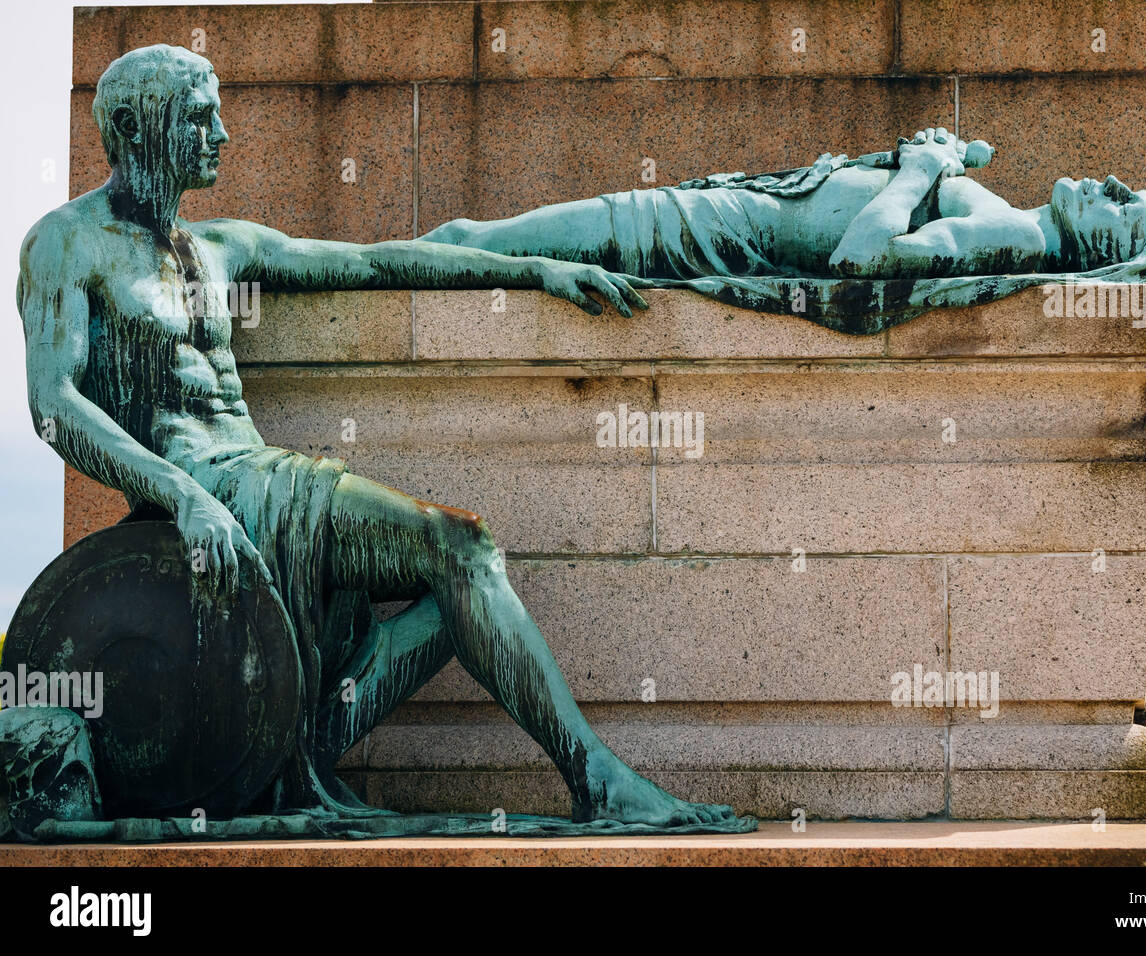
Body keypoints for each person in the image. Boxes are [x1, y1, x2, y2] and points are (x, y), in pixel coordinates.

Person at [17, 44, 737, 829]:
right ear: (128, 125)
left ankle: (294, 747)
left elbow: (375, 262)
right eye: (198, 115)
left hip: (260, 482)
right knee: (459, 546)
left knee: (454, 581)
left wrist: (532, 271)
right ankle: (595, 780)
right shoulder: (65, 242)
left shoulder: (219, 245)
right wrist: (183, 496)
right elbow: (53, 406)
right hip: (213, 493)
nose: (221, 133)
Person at [425, 129, 1146, 334]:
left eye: (1128, 207)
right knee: (489, 235)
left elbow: (862, 260)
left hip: (717, 236)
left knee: (486, 238)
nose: (1116, 186)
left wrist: (920, 169)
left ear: (1113, 252)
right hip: (737, 210)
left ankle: (356, 270)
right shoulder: (1009, 219)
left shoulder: (1020, 244)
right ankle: (358, 267)